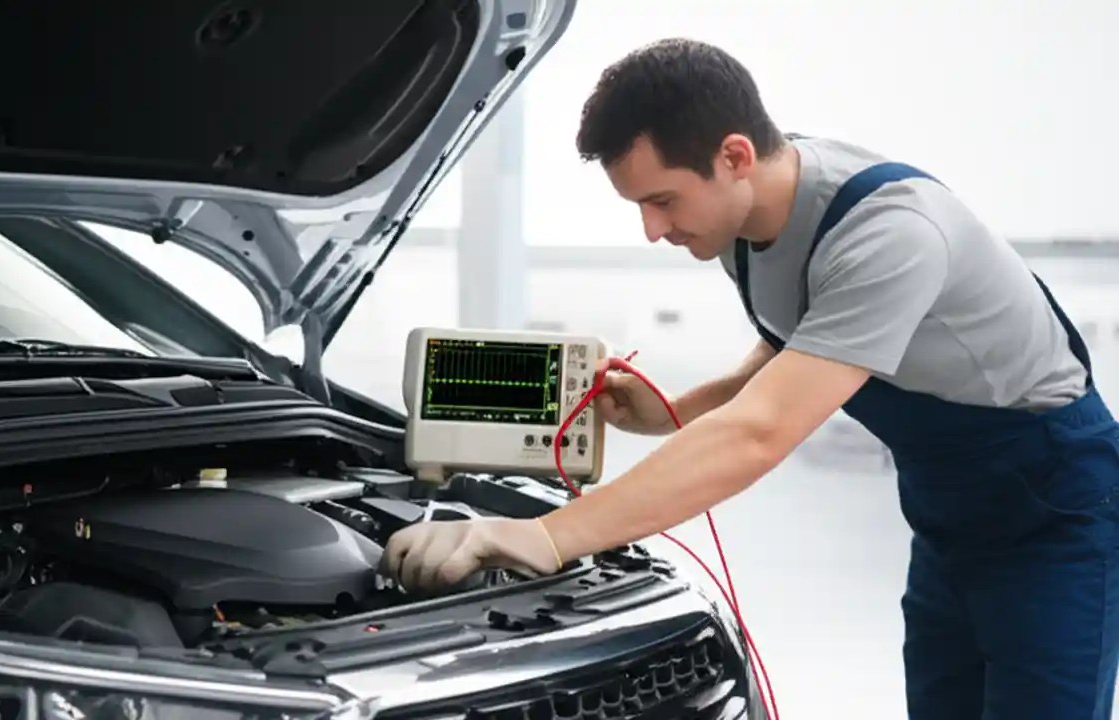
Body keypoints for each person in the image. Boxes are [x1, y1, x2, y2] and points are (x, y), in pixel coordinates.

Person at [379, 37, 1119, 719]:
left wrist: (545, 536)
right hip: (948, 514)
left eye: (662, 200)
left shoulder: (891, 232)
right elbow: (796, 354)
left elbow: (763, 430)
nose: (652, 231)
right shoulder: (749, 225)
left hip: (1052, 512)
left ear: (734, 156)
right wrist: (671, 412)